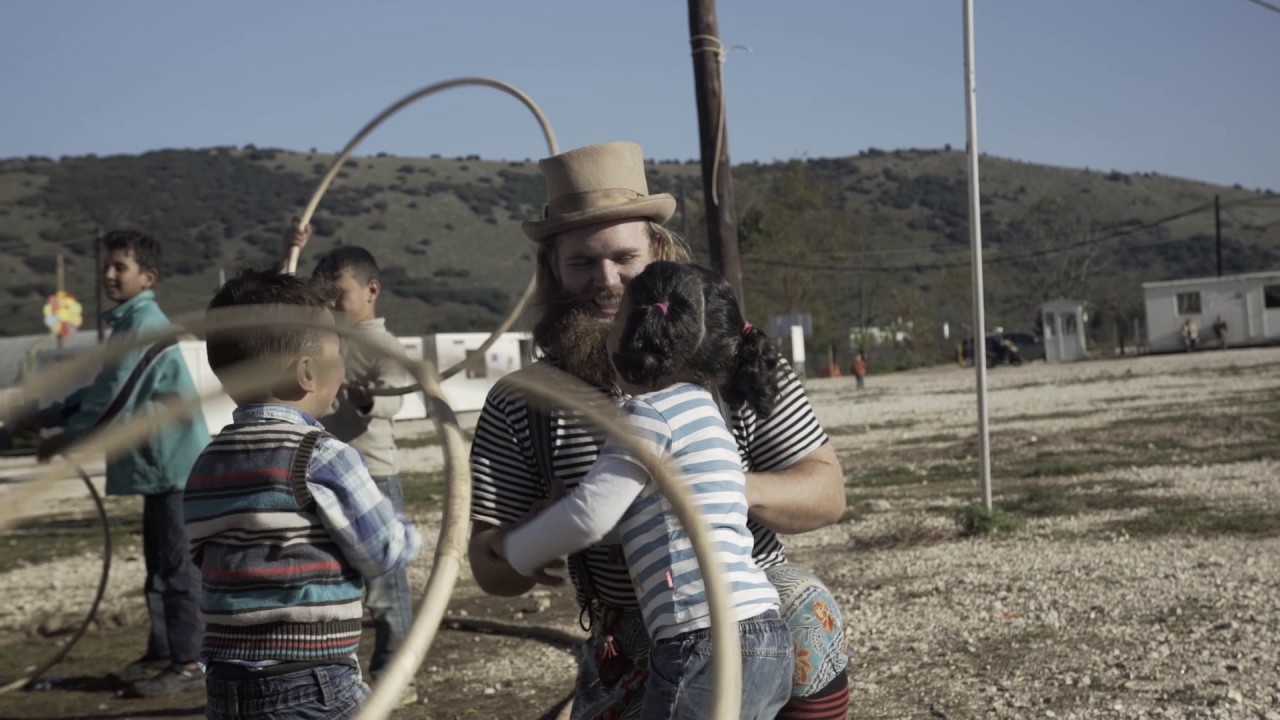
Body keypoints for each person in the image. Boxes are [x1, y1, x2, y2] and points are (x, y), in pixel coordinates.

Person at [469, 141, 850, 720]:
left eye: (624, 258)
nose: (606, 281)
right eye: (581, 263)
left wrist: (711, 484)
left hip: (743, 609)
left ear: (661, 252)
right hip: (630, 632)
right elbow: (490, 569)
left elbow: (827, 493)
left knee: (803, 602)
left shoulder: (734, 361)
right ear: (551, 268)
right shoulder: (522, 402)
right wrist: (525, 541)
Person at [495, 261, 794, 719]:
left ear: (632, 337)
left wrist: (518, 548)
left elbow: (590, 515)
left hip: (702, 638)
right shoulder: (706, 411)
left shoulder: (645, 417)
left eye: (616, 322)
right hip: (763, 632)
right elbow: (647, 518)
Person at [186, 269, 422, 720]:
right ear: (308, 373)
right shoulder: (323, 455)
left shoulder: (208, 460)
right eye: (337, 352)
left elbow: (202, 553)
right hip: (310, 679)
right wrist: (412, 535)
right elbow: (384, 550)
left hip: (225, 684)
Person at [22, 230, 210, 697]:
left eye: (118, 267)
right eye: (105, 266)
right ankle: (164, 652)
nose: (107, 275)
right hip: (159, 465)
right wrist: (53, 412)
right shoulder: (129, 323)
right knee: (159, 567)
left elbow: (115, 402)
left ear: (147, 277)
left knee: (176, 570)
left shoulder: (144, 324)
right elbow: (106, 389)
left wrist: (64, 440)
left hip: (174, 466)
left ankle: (188, 661)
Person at [280, 228, 417, 703]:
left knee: (386, 580)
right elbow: (279, 305)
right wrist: (290, 252)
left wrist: (368, 403)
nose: (331, 306)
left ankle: (395, 677)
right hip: (322, 473)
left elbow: (395, 399)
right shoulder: (321, 339)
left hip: (373, 471)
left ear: (371, 290)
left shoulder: (385, 345)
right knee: (336, 577)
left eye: (338, 295)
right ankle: (345, 675)